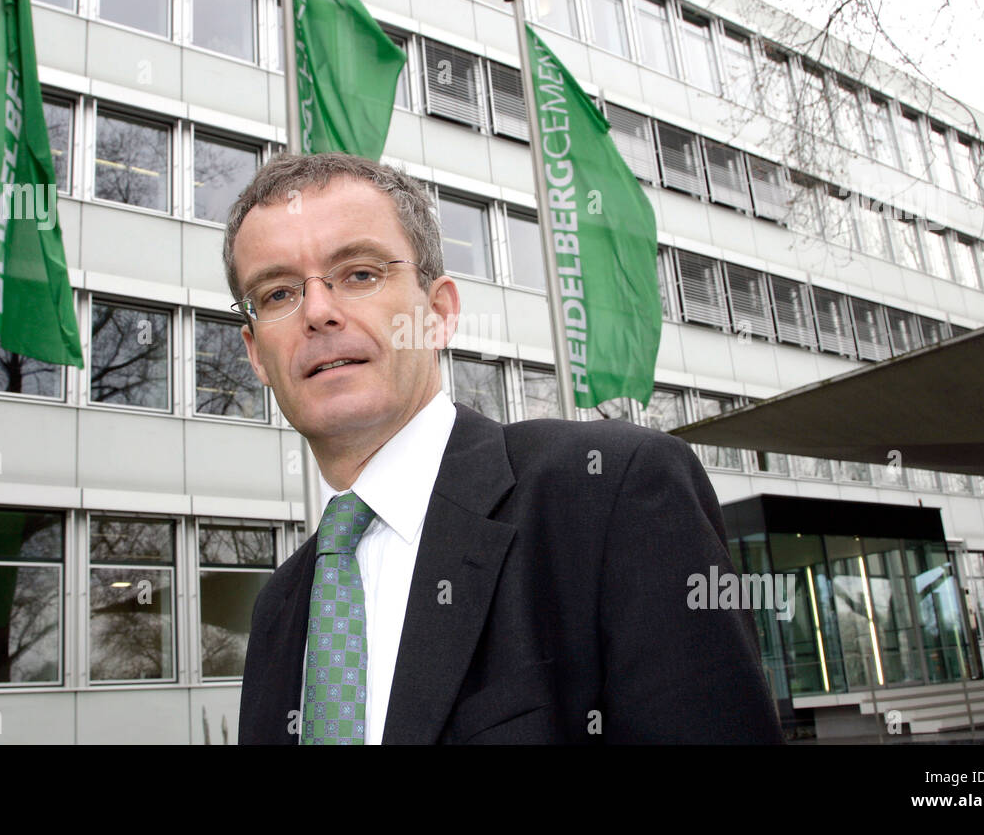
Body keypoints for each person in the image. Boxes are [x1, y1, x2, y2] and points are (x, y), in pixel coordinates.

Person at [230, 152, 782, 744]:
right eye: (279, 293)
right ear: (257, 351)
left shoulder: (611, 496)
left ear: (438, 313)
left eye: (360, 274)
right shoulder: (280, 609)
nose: (317, 311)